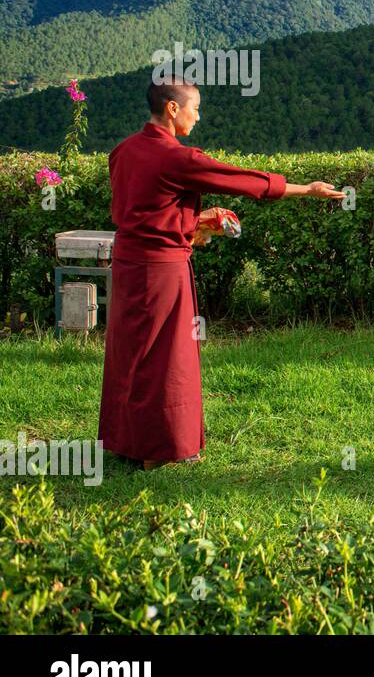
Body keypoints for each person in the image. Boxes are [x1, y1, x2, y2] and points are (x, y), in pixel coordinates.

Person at [99, 76, 344, 470]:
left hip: (128, 263)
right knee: (166, 357)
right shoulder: (177, 157)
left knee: (131, 353)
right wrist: (308, 189)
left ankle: (126, 441)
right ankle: (157, 450)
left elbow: (145, 212)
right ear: (173, 108)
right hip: (162, 270)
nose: (199, 116)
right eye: (195, 107)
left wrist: (192, 223)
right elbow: (244, 181)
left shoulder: (122, 151)